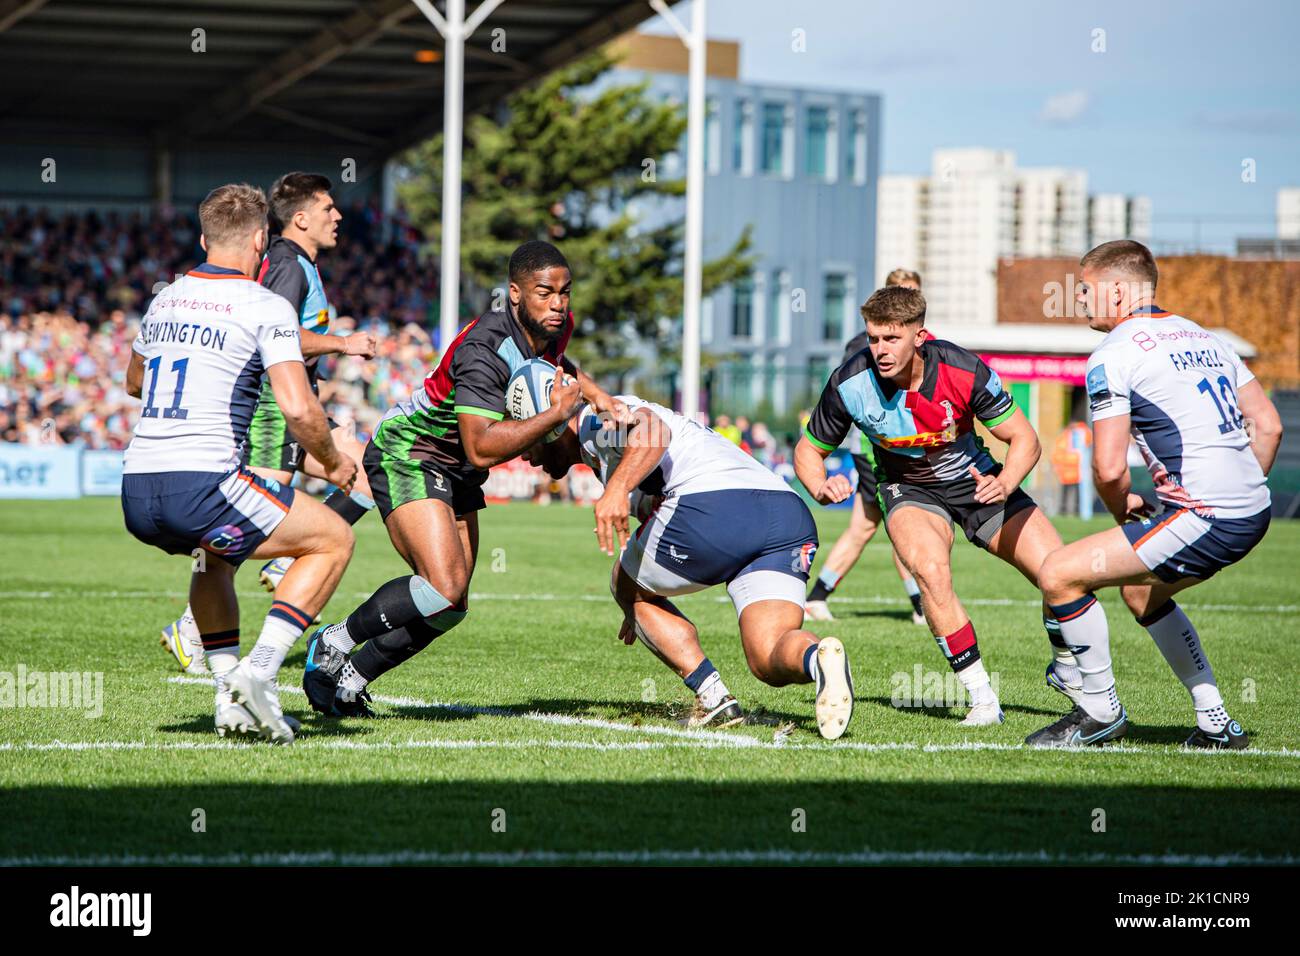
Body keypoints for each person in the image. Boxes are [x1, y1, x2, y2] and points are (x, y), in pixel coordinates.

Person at [299, 241, 627, 716]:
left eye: (565, 292)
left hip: (457, 468)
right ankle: (333, 640)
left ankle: (353, 679)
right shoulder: (484, 348)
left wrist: (598, 397)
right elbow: (481, 444)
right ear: (515, 294)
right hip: (412, 451)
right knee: (442, 584)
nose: (558, 304)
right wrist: (556, 413)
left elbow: (561, 367)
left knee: (450, 605)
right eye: (544, 293)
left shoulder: (555, 328)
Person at [120, 183, 357, 743]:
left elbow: (134, 381)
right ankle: (260, 674)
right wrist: (332, 460)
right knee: (331, 539)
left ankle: (229, 695)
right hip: (204, 482)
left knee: (213, 559)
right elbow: (298, 408)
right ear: (260, 240)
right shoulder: (265, 303)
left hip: (136, 487)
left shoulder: (166, 297)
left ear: (204, 239)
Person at [1028, 240, 1281, 749]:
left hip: (1209, 515)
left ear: (1118, 291)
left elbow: (1107, 465)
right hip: (1254, 509)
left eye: (1086, 291)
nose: (1080, 301)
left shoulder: (1115, 353)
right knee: (1142, 591)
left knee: (1057, 573)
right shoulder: (1208, 339)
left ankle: (1099, 712)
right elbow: (1270, 426)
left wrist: (1124, 508)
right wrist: (1238, 490)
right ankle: (1215, 725)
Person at [795, 285, 1075, 726]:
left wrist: (1005, 482)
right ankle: (983, 699)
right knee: (929, 570)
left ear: (920, 336)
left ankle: (1063, 663)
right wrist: (819, 484)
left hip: (978, 481)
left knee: (1061, 572)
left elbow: (1024, 439)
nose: (880, 350)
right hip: (908, 489)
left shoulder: (963, 369)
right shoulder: (850, 383)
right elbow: (808, 451)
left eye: (892, 338)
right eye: (873, 338)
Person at [527, 394, 855, 739]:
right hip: (784, 514)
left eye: (527, 432)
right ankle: (818, 661)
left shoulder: (593, 422)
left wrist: (633, 595)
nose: (523, 453)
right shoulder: (600, 450)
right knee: (768, 655)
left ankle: (714, 697)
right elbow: (651, 505)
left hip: (717, 506)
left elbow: (653, 430)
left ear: (553, 425)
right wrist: (641, 601)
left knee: (622, 584)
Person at [157, 172, 378, 674]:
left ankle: (270, 572)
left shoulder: (296, 264)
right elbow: (273, 335)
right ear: (300, 218)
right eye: (327, 208)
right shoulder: (286, 264)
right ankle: (195, 629)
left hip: (298, 405)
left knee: (369, 468)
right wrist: (345, 343)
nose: (337, 216)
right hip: (276, 408)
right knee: (239, 529)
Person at [805, 268, 926, 626]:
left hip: (899, 445)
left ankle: (816, 597)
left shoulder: (921, 343)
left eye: (914, 294)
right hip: (876, 448)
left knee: (864, 526)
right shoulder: (864, 344)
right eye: (901, 292)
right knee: (906, 519)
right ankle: (923, 606)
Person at [1051, 419, 1090, 516]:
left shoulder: (1080, 433)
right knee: (1066, 493)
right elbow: (1057, 453)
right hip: (1067, 471)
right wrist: (1056, 466)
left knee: (1076, 493)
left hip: (1076, 471)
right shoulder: (1065, 436)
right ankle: (1064, 510)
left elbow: (1089, 438)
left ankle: (1076, 511)